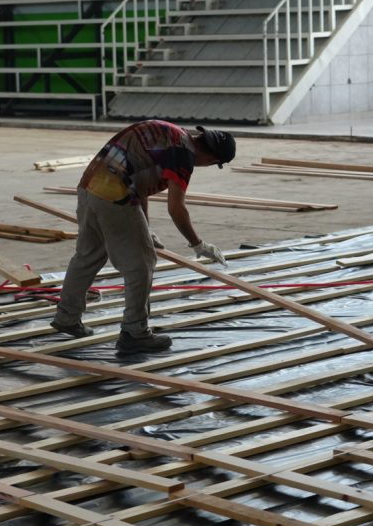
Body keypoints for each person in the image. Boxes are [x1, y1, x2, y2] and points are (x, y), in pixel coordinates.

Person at [50, 120, 236, 354]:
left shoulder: (173, 135)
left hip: (89, 186)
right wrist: (198, 244)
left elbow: (140, 185)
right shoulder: (183, 156)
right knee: (142, 264)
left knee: (88, 255)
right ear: (212, 159)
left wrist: (144, 227)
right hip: (114, 194)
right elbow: (176, 208)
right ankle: (134, 332)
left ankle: (67, 316)